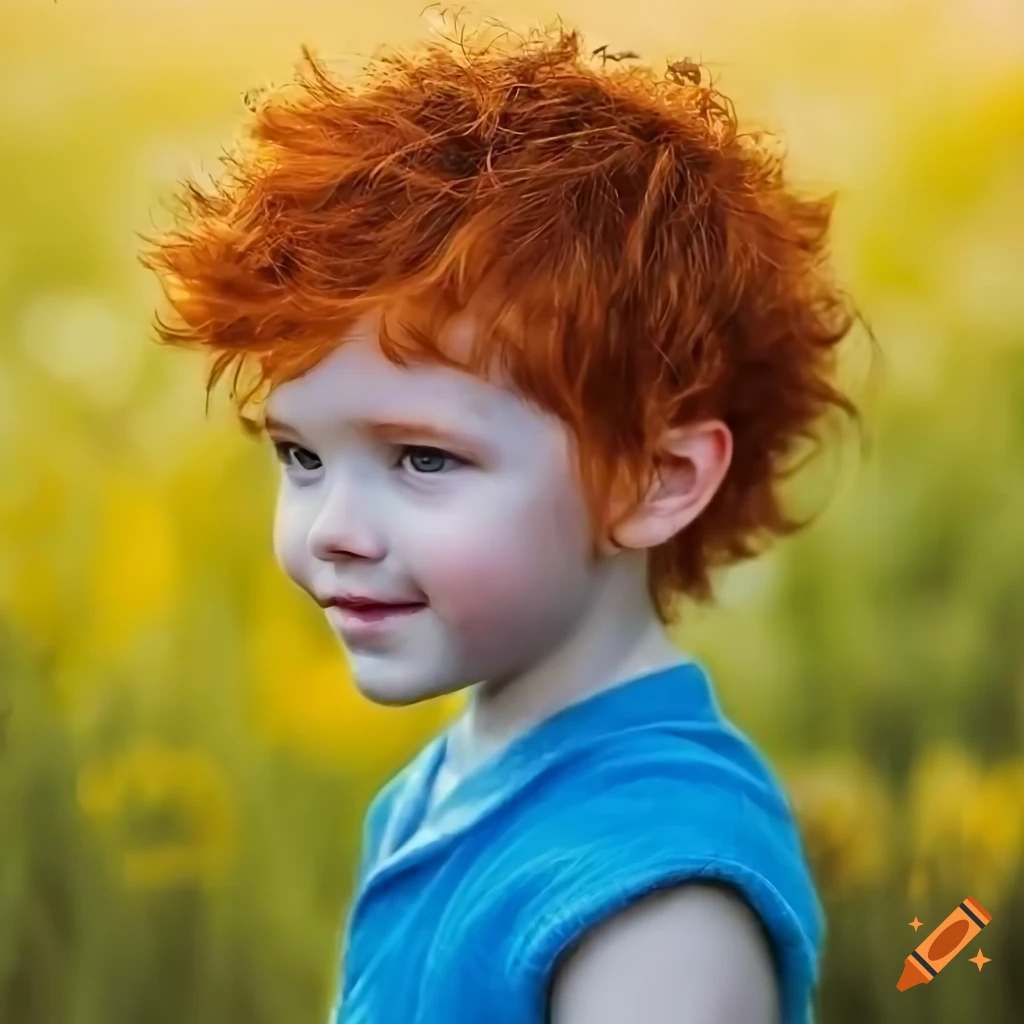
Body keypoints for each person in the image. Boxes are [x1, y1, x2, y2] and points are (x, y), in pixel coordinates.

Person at [139, 14, 865, 1023]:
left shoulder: (651, 907)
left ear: (652, 482)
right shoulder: (453, 782)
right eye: (301, 455)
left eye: (423, 457)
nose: (332, 527)